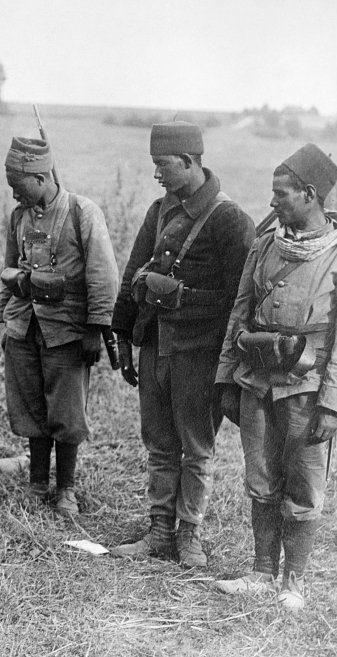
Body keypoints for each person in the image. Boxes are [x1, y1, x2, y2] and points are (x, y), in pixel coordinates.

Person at [213, 144, 337, 610]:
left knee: (303, 486)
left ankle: (293, 583)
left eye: (281, 194)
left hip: (308, 386)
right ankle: (262, 573)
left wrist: (333, 403)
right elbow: (238, 313)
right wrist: (227, 380)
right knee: (260, 479)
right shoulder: (266, 244)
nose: (272, 203)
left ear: (309, 194)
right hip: (256, 379)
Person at [109, 122, 255, 566]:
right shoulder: (159, 212)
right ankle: (158, 532)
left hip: (200, 352)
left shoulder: (231, 220)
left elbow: (240, 300)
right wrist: (123, 333)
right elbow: (133, 269)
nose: (156, 174)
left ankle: (188, 535)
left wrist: (179, 296)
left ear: (190, 161)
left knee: (196, 446)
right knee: (159, 442)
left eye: (162, 165)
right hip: (156, 344)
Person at [0, 136, 119, 515]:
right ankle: (37, 482)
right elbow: (8, 269)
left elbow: (103, 275)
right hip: (24, 327)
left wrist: (95, 328)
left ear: (39, 176)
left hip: (68, 329)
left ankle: (65, 488)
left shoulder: (82, 212)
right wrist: (6, 319)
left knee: (66, 412)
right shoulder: (19, 217)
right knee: (31, 405)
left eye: (19, 187)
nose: (15, 195)